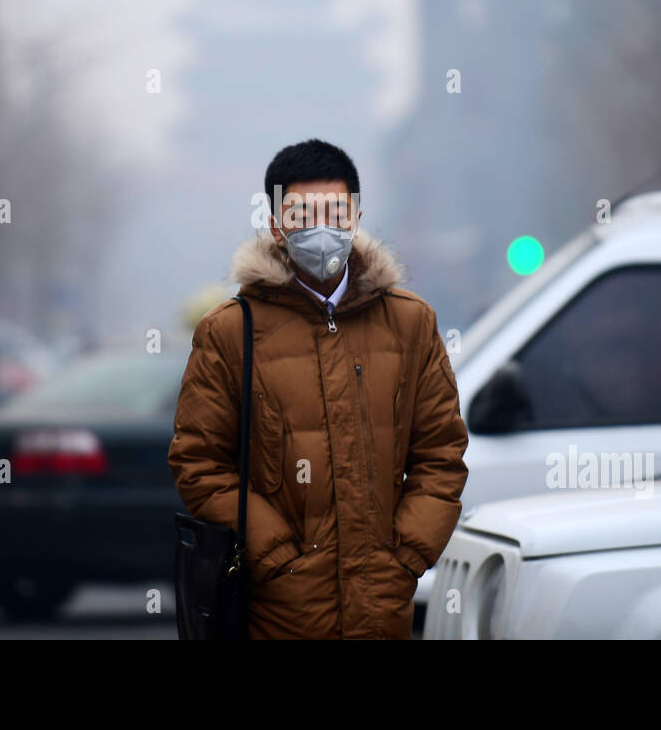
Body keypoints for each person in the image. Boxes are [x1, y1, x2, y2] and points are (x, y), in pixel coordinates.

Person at [168, 138, 469, 639]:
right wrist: (275, 556)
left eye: (334, 212)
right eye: (301, 215)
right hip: (278, 610)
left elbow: (441, 452)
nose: (321, 230)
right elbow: (198, 461)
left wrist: (406, 557)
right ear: (275, 226)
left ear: (356, 216)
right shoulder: (230, 332)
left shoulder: (410, 322)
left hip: (382, 607)